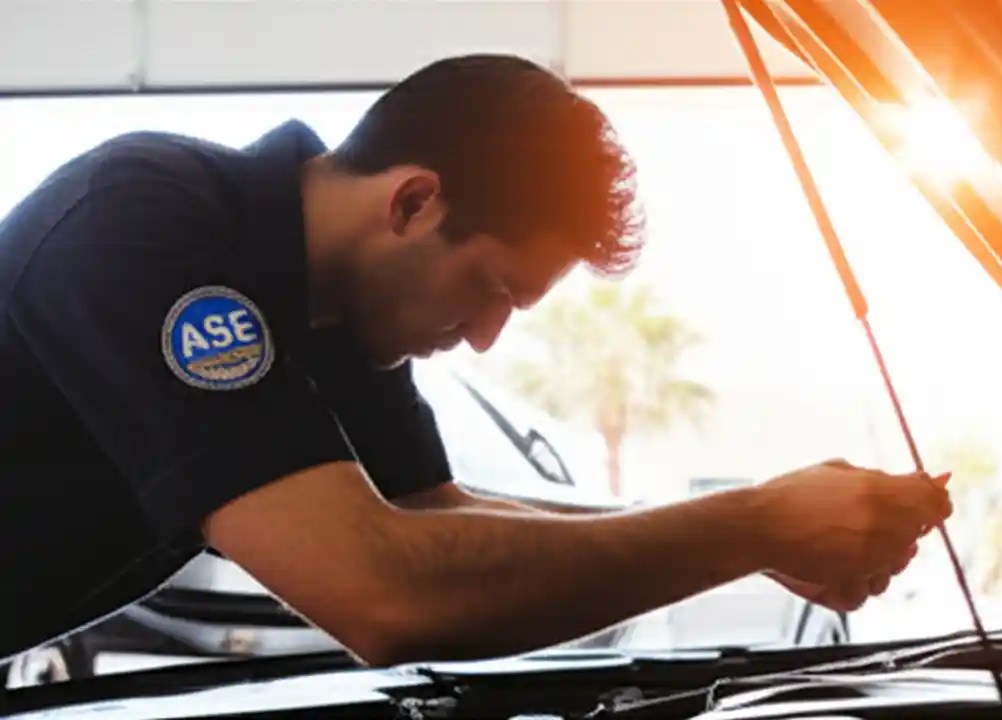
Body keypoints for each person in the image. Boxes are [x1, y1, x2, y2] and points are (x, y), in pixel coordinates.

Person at [0, 54, 951, 666]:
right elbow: (383, 592)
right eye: (492, 287)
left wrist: (762, 534)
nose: (488, 335)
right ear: (413, 202)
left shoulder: (335, 320)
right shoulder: (139, 225)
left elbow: (441, 517)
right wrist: (755, 526)